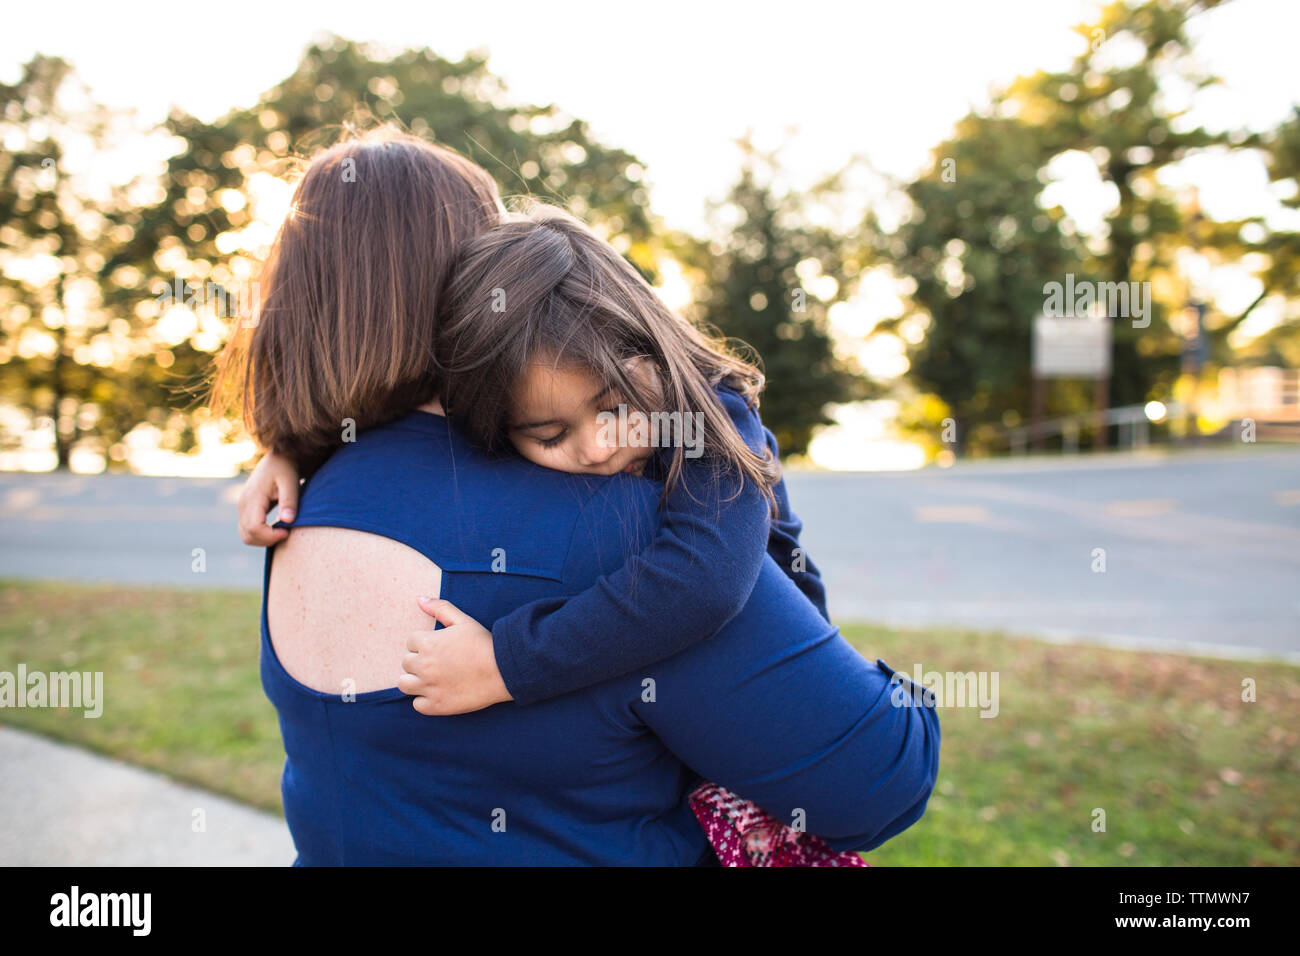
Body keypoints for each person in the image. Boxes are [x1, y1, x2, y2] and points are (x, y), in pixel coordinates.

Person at [218, 126, 940, 865]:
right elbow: (880, 781)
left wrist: (288, 446)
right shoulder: (631, 530)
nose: (597, 446)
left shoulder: (308, 503)